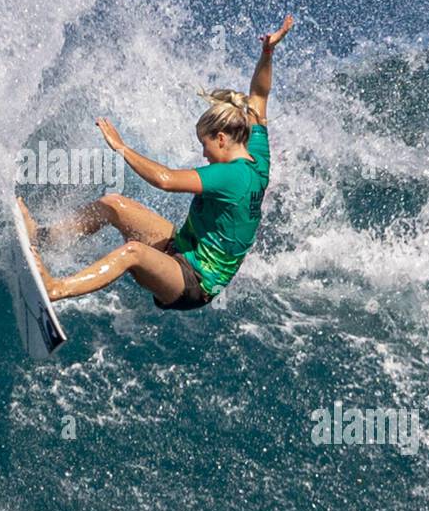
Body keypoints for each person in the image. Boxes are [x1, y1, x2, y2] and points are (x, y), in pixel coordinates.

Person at [19, 15, 292, 310]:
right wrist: (267, 52)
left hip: (194, 282)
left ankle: (56, 288)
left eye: (206, 145)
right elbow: (259, 96)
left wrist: (122, 148)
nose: (204, 154)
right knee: (113, 204)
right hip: (182, 250)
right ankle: (45, 238)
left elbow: (165, 179)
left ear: (223, 138)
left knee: (132, 252)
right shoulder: (258, 155)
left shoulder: (231, 176)